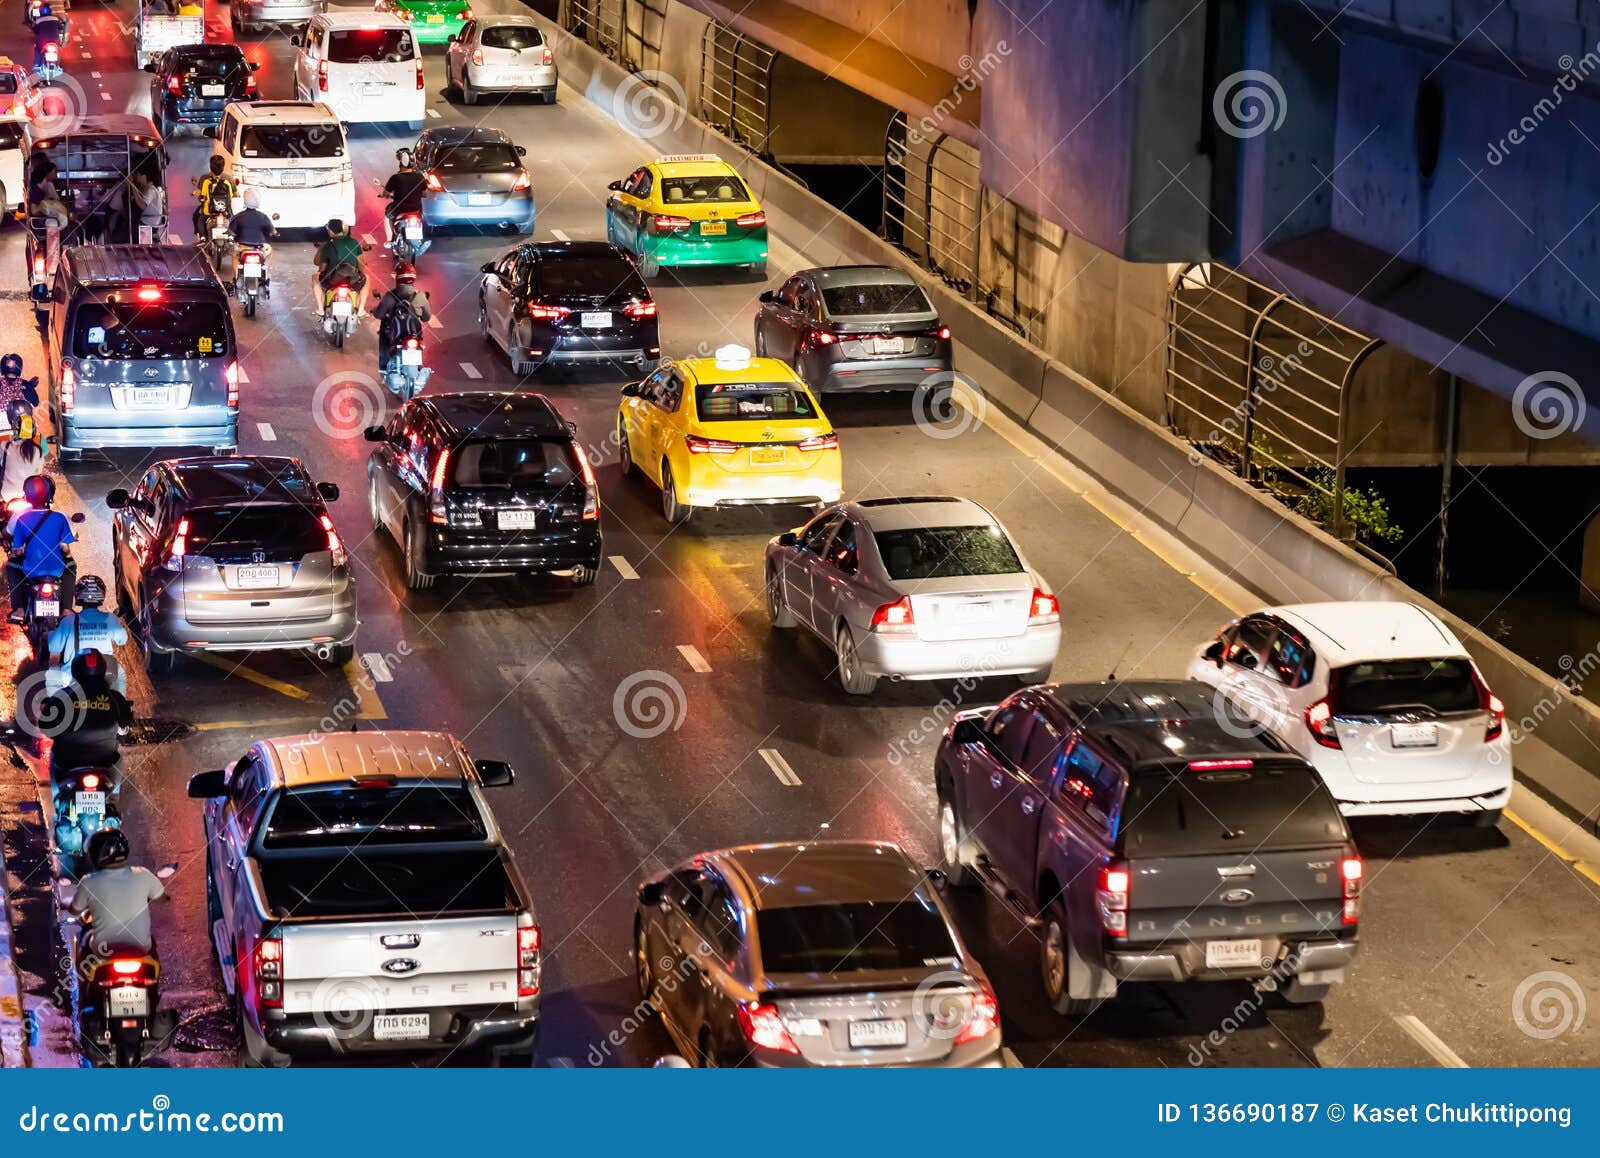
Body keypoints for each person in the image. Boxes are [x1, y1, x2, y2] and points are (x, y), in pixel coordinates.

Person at [69, 828, 165, 960]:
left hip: (103, 950)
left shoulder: (89, 881)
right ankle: (154, 970)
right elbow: (162, 898)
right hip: (141, 948)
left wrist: (69, 905)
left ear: (94, 854)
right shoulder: (143, 873)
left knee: (84, 936)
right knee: (151, 941)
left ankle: (83, 973)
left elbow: (74, 910)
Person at [48, 650, 132, 780]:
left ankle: (57, 791)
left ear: (75, 670)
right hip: (105, 761)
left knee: (53, 758)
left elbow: (47, 727)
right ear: (102, 669)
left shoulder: (62, 696)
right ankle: (114, 792)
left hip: (68, 761)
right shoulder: (115, 697)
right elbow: (125, 725)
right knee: (118, 760)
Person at [6, 474, 75, 621]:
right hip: (56, 570)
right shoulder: (59, 518)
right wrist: (65, 558)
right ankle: (67, 609)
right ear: (49, 495)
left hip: (31, 570)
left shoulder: (22, 519)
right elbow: (65, 549)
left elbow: (17, 551)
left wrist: (16, 554)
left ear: (27, 496)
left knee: (11, 565)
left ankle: (19, 609)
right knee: (71, 566)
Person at [47, 575, 127, 695]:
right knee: (120, 673)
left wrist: (51, 635)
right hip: (103, 676)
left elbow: (53, 647)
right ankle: (120, 703)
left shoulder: (68, 621)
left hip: (71, 678)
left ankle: (52, 703)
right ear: (102, 595)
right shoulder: (111, 619)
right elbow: (123, 640)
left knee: (52, 672)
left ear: (78, 595)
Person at [373, 262, 431, 372]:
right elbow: (426, 318)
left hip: (395, 338)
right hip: (414, 337)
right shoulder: (420, 296)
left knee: (384, 328)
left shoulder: (389, 296)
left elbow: (378, 314)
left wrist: (376, 311)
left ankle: (384, 365)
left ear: (398, 277)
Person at [312, 218, 368, 316]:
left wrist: (320, 249)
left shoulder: (328, 245)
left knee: (315, 277)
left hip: (332, 281)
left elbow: (322, 268)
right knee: (367, 278)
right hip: (352, 280)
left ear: (330, 231)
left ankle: (320, 309)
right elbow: (361, 265)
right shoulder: (354, 242)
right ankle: (361, 310)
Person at [381, 148, 429, 248]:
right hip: (416, 209)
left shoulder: (395, 178)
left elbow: (385, 193)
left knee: (387, 216)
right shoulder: (420, 177)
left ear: (401, 164)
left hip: (399, 209)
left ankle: (389, 240)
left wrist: (387, 195)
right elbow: (425, 194)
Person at [229, 188, 274, 289]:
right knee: (270, 252)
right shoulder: (263, 217)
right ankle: (265, 272)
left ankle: (237, 276)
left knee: (234, 255)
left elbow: (231, 231)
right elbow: (271, 231)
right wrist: (274, 233)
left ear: (245, 201)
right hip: (259, 248)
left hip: (242, 247)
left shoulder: (238, 217)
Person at [0, 405, 45, 501]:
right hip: (29, 496)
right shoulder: (38, 451)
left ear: (16, 430)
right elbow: (39, 473)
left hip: (6, 495)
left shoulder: (5, 446)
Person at [193, 154, 234, 238]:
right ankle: (231, 237)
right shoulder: (228, 179)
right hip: (224, 211)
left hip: (209, 212)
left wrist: (196, 194)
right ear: (223, 167)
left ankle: (202, 237)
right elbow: (234, 194)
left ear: (210, 167)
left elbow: (202, 195)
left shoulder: (205, 179)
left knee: (197, 217)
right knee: (232, 218)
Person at [28, 158, 70, 230]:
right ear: (46, 175)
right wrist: (44, 210)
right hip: (42, 219)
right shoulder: (36, 191)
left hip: (46, 217)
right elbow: (34, 211)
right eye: (55, 171)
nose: (56, 174)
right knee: (54, 222)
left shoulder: (40, 191)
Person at [126, 170, 164, 239]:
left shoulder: (151, 190)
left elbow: (142, 205)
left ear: (144, 176)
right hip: (145, 222)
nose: (135, 176)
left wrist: (132, 184)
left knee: (124, 231)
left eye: (137, 174)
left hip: (148, 226)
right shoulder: (144, 188)